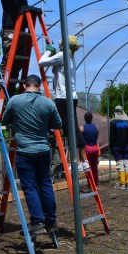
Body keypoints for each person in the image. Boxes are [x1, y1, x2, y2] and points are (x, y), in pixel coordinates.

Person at [1, 74, 63, 236]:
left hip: (24, 151)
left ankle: (37, 222)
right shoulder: (48, 103)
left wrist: (18, 120)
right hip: (43, 150)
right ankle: (50, 220)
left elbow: (5, 120)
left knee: (29, 187)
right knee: (45, 184)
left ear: (24, 86)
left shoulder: (15, 101)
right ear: (40, 86)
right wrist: (43, 123)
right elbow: (58, 124)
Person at [38, 36, 90, 175]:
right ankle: (84, 161)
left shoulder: (62, 55)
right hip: (72, 97)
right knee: (74, 128)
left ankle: (77, 162)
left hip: (63, 98)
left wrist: (48, 52)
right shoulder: (70, 57)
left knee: (68, 130)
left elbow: (42, 62)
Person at [109, 105, 128, 189]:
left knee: (120, 164)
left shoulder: (113, 123)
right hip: (127, 147)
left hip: (117, 147)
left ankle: (122, 184)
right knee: (126, 163)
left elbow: (111, 137)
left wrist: (111, 148)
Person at [82, 111, 100, 188]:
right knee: (94, 166)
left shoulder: (82, 127)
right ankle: (95, 182)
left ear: (85, 118)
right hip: (95, 147)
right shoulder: (96, 126)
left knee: (87, 167)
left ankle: (90, 183)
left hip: (87, 149)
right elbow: (97, 135)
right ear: (92, 118)